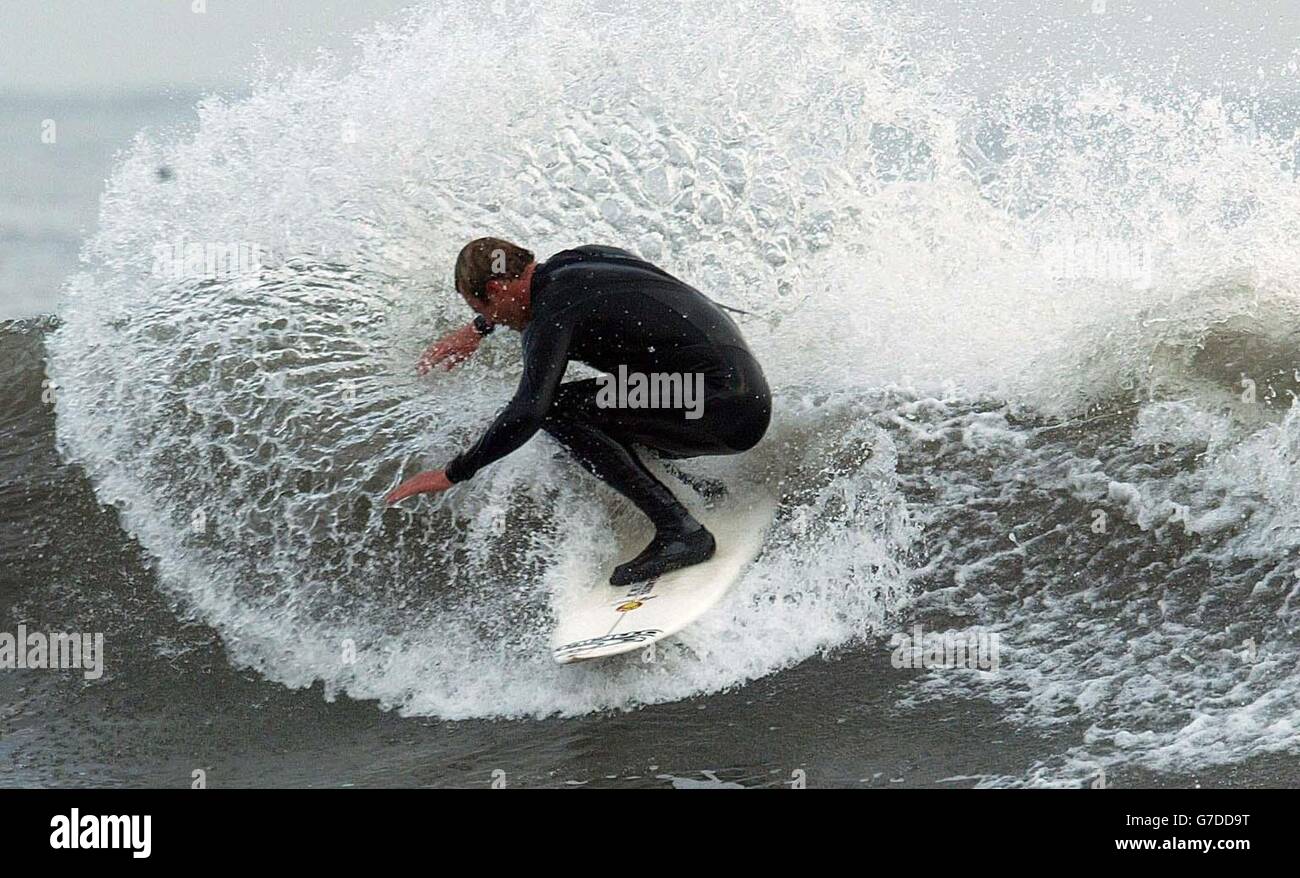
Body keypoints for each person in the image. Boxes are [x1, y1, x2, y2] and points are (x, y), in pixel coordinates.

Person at [386, 238, 771, 585]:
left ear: (495, 289)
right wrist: (478, 327)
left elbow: (529, 410)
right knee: (613, 399)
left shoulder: (550, 313)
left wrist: (456, 471)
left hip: (724, 409)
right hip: (741, 390)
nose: (499, 322)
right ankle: (699, 488)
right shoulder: (581, 260)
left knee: (559, 410)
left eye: (488, 309)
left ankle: (681, 531)